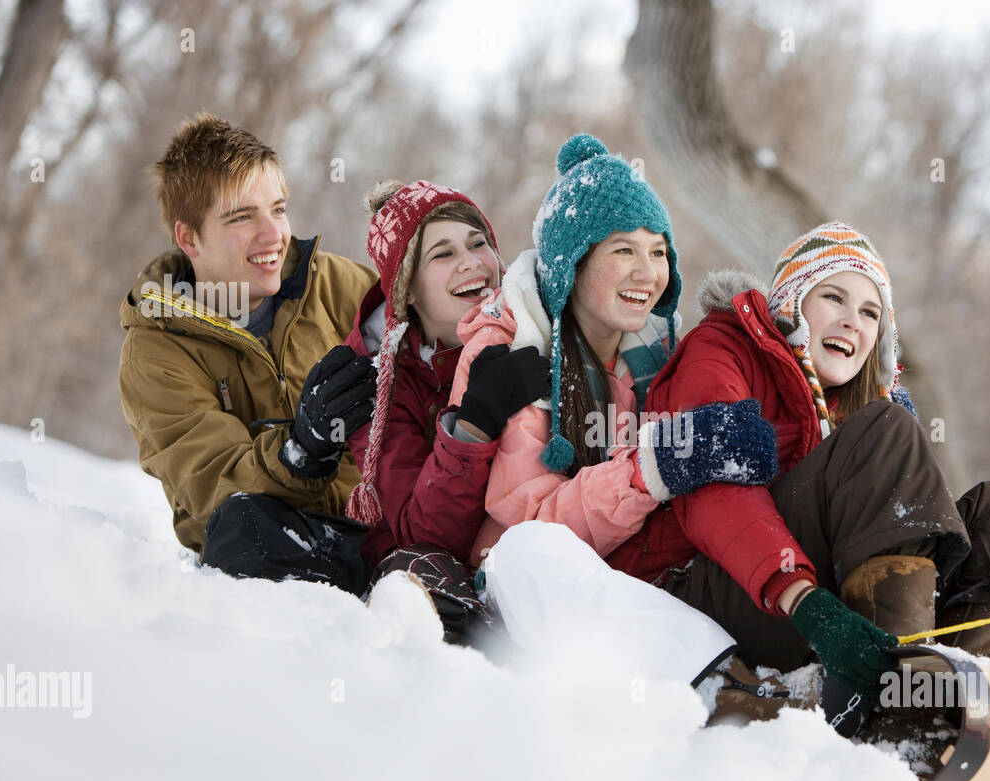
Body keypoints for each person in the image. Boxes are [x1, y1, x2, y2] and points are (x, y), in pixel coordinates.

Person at [644, 222, 990, 736]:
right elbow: (712, 497)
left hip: (822, 598)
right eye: (834, 297)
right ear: (791, 300)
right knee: (886, 432)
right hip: (721, 589)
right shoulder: (725, 347)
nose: (852, 322)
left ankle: (981, 683)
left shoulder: (866, 411)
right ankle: (895, 705)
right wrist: (805, 602)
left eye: (870, 312)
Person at [446, 133, 779, 699]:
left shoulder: (658, 349)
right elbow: (532, 524)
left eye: (657, 251)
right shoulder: (510, 351)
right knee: (532, 553)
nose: (648, 272)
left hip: (640, 562)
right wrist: (654, 467)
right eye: (624, 250)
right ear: (572, 264)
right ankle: (719, 687)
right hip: (531, 584)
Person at [118, 113, 378, 594]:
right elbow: (215, 485)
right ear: (188, 237)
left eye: (278, 210)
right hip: (275, 552)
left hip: (382, 529)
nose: (272, 235)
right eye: (241, 217)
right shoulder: (155, 352)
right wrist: (305, 449)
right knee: (240, 523)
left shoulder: (342, 288)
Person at [342, 179, 549, 640]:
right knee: (424, 574)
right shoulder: (378, 382)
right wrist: (475, 423)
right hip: (435, 574)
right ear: (407, 291)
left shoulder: (534, 328)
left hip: (534, 543)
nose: (471, 262)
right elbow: (424, 535)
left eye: (478, 243)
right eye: (443, 254)